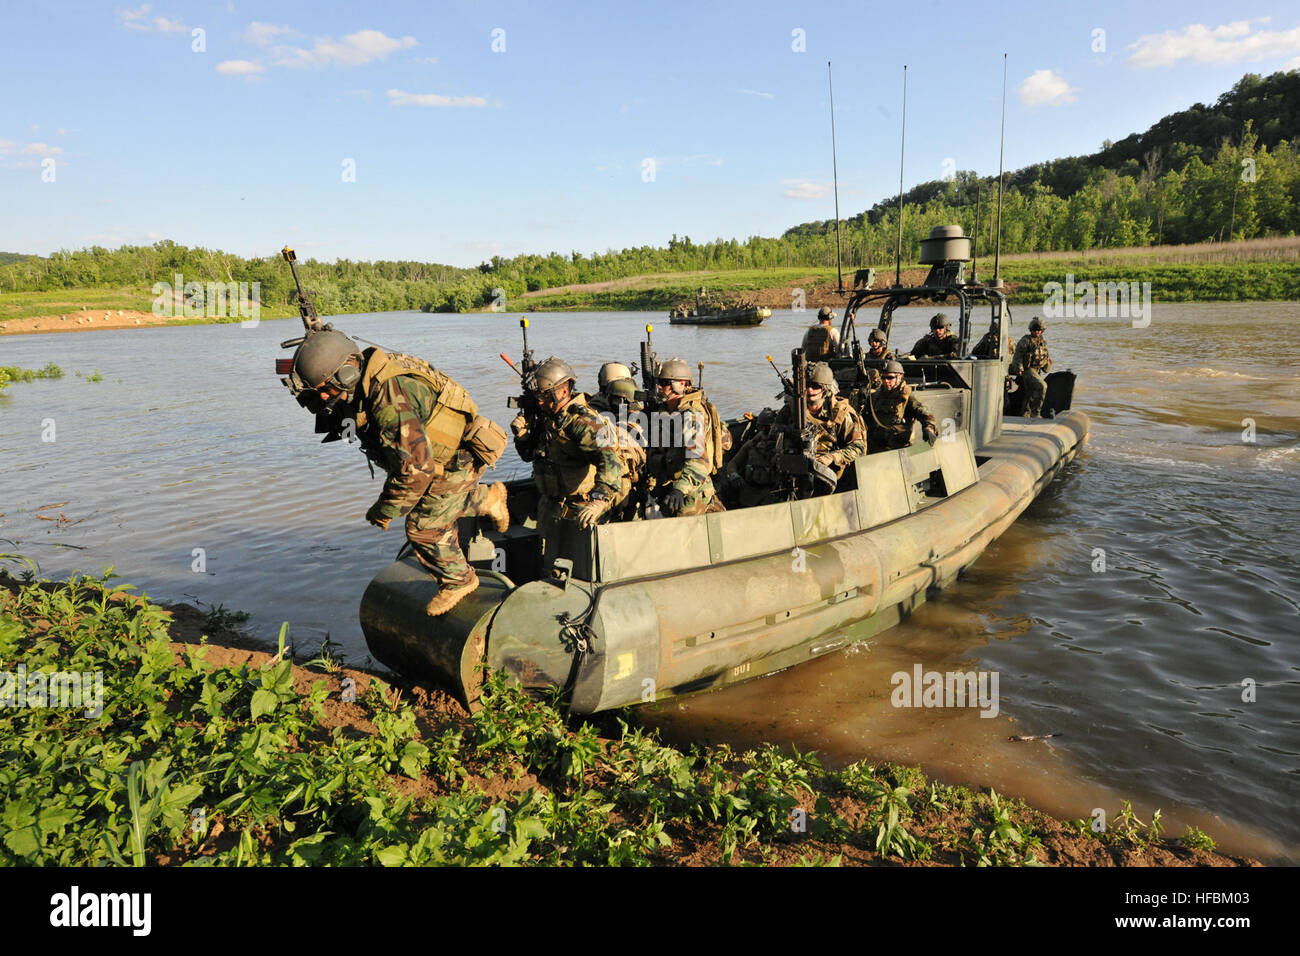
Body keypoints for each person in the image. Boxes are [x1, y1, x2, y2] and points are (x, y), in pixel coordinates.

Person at [283, 329, 510, 616]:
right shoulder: (367, 375)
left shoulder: (390, 398)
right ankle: (487, 498)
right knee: (427, 498)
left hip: (457, 457)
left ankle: (460, 580)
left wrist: (384, 509)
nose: (327, 397)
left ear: (348, 372)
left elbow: (416, 470)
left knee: (422, 527)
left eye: (328, 388)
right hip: (439, 453)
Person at [510, 357, 626, 569]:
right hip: (550, 505)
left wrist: (599, 500)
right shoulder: (547, 416)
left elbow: (609, 460)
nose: (541, 401)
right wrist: (523, 437)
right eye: (538, 396)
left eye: (545, 396)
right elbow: (530, 455)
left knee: (579, 567)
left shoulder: (583, 422)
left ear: (563, 391)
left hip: (578, 509)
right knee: (548, 562)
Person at [645, 357, 724, 516]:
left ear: (682, 384)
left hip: (692, 490)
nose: (660, 387)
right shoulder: (665, 411)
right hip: (670, 484)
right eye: (659, 382)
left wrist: (679, 490)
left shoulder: (691, 416)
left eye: (666, 383)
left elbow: (699, 462)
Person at [778, 362, 866, 482]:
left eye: (815, 386)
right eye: (806, 385)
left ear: (825, 389)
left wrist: (832, 457)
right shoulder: (791, 410)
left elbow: (858, 447)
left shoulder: (839, 413)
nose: (809, 390)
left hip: (827, 474)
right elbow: (772, 439)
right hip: (793, 470)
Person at [862, 360, 938, 452]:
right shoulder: (875, 396)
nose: (886, 381)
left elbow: (924, 413)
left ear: (899, 377)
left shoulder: (906, 397)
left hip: (899, 449)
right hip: (876, 448)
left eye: (890, 378)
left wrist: (928, 428)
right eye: (883, 377)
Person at [1009, 316, 1053, 417]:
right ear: (1031, 330)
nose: (1037, 332)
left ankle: (1025, 413)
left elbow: (1046, 355)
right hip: (1027, 369)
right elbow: (1017, 356)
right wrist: (1019, 368)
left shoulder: (1042, 342)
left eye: (1039, 330)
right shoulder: (1025, 341)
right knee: (1042, 386)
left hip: (1037, 370)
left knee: (1030, 392)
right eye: (1035, 329)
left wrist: (1047, 366)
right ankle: (1036, 413)